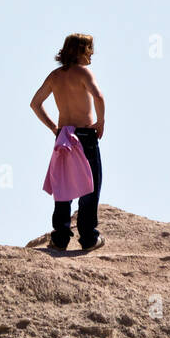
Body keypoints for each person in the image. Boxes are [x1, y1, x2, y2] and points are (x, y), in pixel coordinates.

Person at [29, 33, 105, 252]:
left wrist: (54, 127)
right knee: (91, 186)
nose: (92, 54)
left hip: (63, 135)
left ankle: (60, 238)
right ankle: (89, 237)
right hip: (84, 135)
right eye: (90, 49)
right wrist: (101, 122)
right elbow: (98, 97)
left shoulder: (55, 76)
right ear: (81, 50)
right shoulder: (83, 72)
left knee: (63, 187)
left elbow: (35, 103)